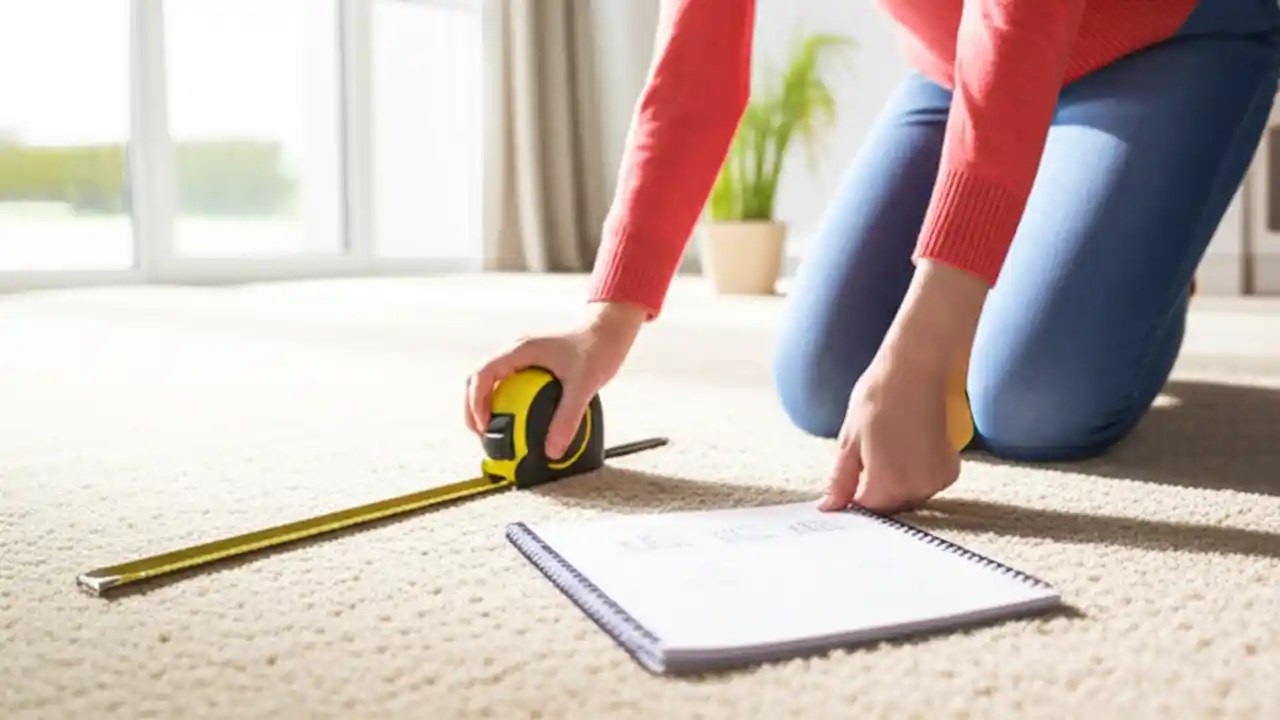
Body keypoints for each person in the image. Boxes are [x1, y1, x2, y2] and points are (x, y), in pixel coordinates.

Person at [465, 0, 1280, 513]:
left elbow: (1021, 21)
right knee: (822, 385)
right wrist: (602, 326)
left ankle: (1143, 263)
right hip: (956, 68)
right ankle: (1083, 248)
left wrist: (925, 352)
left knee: (1038, 402)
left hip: (1167, 35)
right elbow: (691, 71)